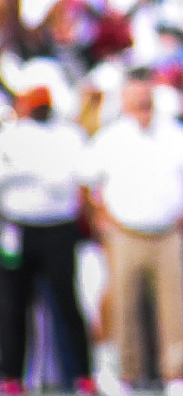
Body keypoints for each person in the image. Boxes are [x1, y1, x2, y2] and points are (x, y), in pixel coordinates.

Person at [80, 67, 183, 396]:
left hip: (169, 231)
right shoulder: (111, 138)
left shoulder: (174, 134)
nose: (141, 104)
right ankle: (128, 375)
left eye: (145, 98)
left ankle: (177, 375)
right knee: (124, 306)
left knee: (176, 306)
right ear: (125, 102)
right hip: (125, 232)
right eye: (135, 99)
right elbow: (86, 181)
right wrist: (100, 217)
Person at [0, 85, 94, 395]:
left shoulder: (67, 135)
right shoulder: (9, 135)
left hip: (59, 227)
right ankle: (12, 377)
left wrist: (27, 172)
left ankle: (82, 375)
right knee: (14, 307)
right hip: (18, 228)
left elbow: (70, 176)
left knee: (67, 302)